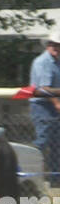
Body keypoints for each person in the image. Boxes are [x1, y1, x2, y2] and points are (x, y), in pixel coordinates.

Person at [29, 30, 60, 186]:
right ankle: (34, 178)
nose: (55, 47)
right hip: (43, 107)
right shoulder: (45, 62)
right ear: (48, 45)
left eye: (58, 45)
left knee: (55, 143)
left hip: (48, 107)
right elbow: (44, 88)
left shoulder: (54, 62)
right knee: (43, 141)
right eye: (53, 44)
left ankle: (54, 179)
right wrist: (57, 103)